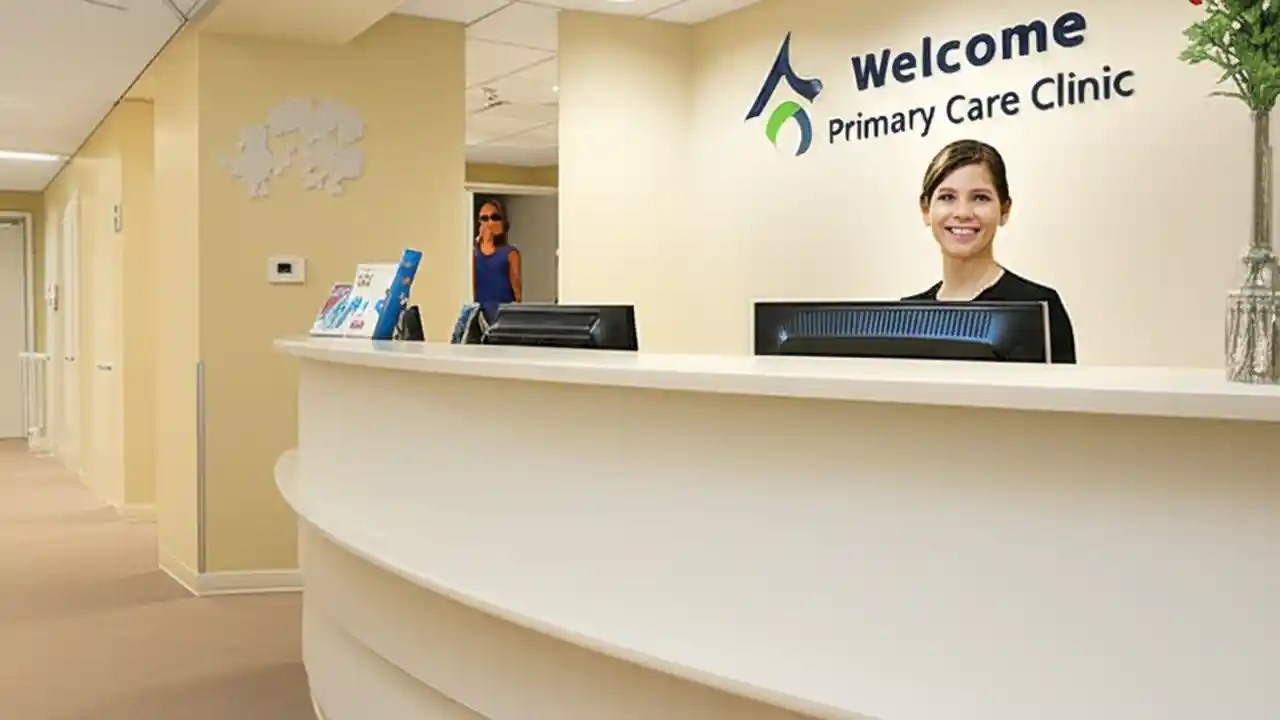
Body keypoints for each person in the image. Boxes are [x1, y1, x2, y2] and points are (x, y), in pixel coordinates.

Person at [905, 139, 1077, 364]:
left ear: (1004, 210)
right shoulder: (909, 314)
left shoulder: (1039, 307)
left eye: (980, 198)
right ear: (926, 210)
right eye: (947, 197)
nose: (963, 212)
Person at [472, 198, 522, 323]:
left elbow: (516, 291)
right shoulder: (473, 252)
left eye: (494, 217)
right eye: (484, 218)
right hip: (479, 312)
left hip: (504, 313)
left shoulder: (510, 253)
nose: (490, 222)